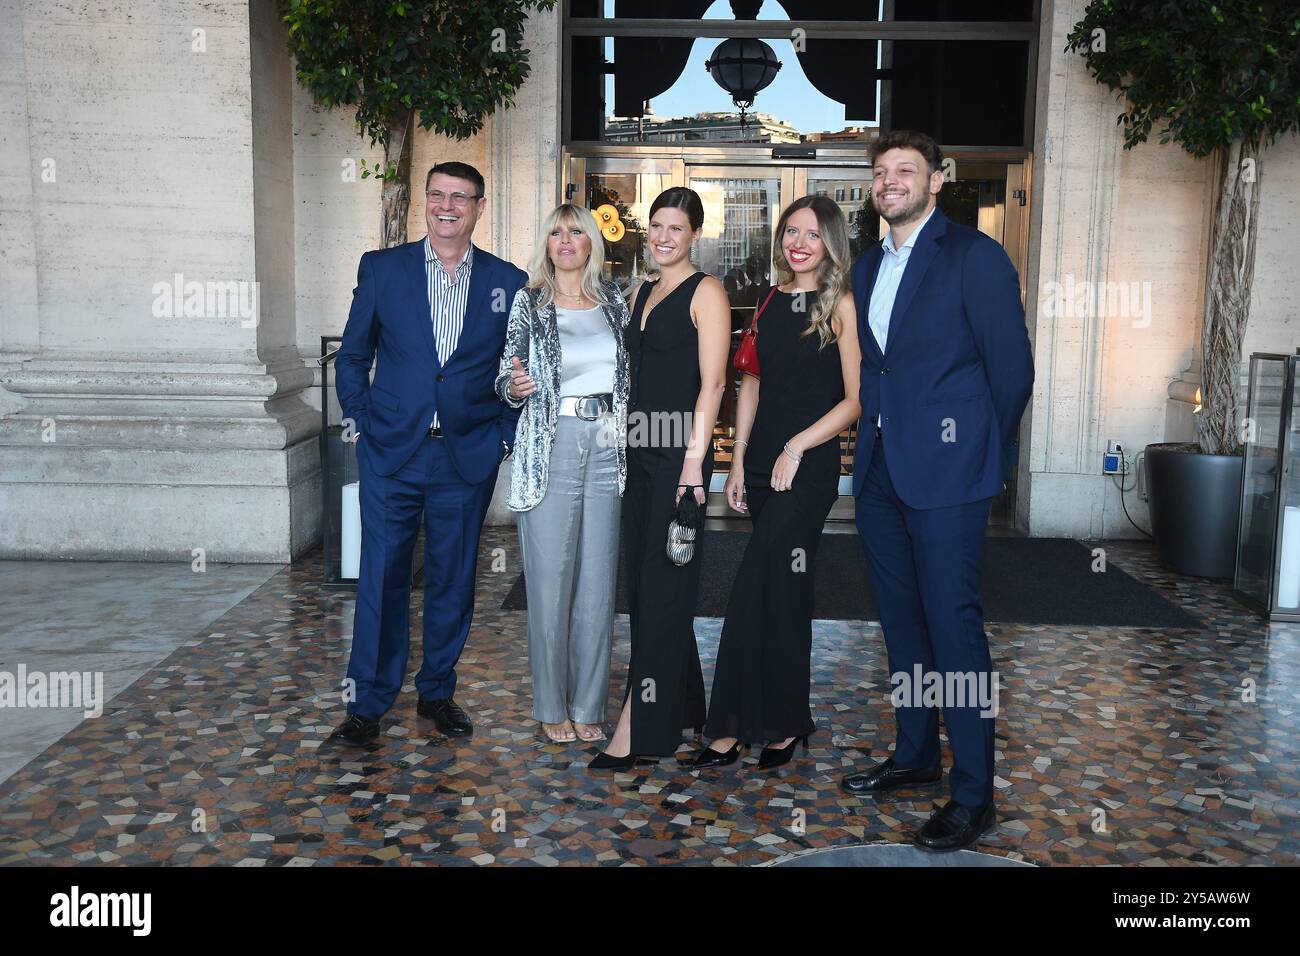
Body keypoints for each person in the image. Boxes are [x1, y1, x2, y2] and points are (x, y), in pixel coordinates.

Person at [839, 130, 1034, 852]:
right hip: (882, 470)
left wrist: (985, 453)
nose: (891, 182)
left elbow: (1012, 372)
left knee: (954, 626)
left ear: (938, 180)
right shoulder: (866, 268)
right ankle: (916, 755)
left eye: (905, 171)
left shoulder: (975, 257)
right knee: (902, 621)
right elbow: (876, 372)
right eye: (881, 173)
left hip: (949, 471)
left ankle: (974, 793)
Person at [330, 161, 527, 746]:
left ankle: (437, 692)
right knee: (382, 577)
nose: (447, 207)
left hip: (465, 457)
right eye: (437, 195)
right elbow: (351, 356)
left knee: (453, 580)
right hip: (392, 453)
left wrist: (504, 435)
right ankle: (368, 701)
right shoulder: (383, 269)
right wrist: (362, 422)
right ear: (425, 201)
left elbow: (519, 368)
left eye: (459, 198)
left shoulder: (507, 281)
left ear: (478, 206)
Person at [694, 196, 862, 771]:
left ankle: (730, 728)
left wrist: (797, 445)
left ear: (830, 242)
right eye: (791, 231)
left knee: (751, 590)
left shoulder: (840, 303)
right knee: (784, 594)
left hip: (808, 467)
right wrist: (736, 462)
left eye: (812, 234)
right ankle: (787, 720)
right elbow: (750, 387)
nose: (799, 242)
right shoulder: (767, 300)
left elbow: (856, 401)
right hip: (762, 464)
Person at [588, 187, 731, 771]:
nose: (663, 237)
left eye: (676, 228)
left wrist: (695, 464)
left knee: (665, 585)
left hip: (680, 460)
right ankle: (684, 706)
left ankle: (639, 728)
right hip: (639, 454)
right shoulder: (642, 291)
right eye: (656, 226)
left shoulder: (708, 293)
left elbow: (714, 385)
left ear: (695, 234)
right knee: (647, 589)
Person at [496, 204, 631, 745]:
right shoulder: (529, 303)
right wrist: (513, 387)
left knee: (598, 586)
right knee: (550, 584)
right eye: (555, 232)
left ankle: (588, 705)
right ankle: (551, 705)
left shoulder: (616, 302)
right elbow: (505, 373)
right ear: (546, 243)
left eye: (576, 231)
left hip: (607, 444)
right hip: (551, 444)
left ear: (592, 241)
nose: (566, 240)